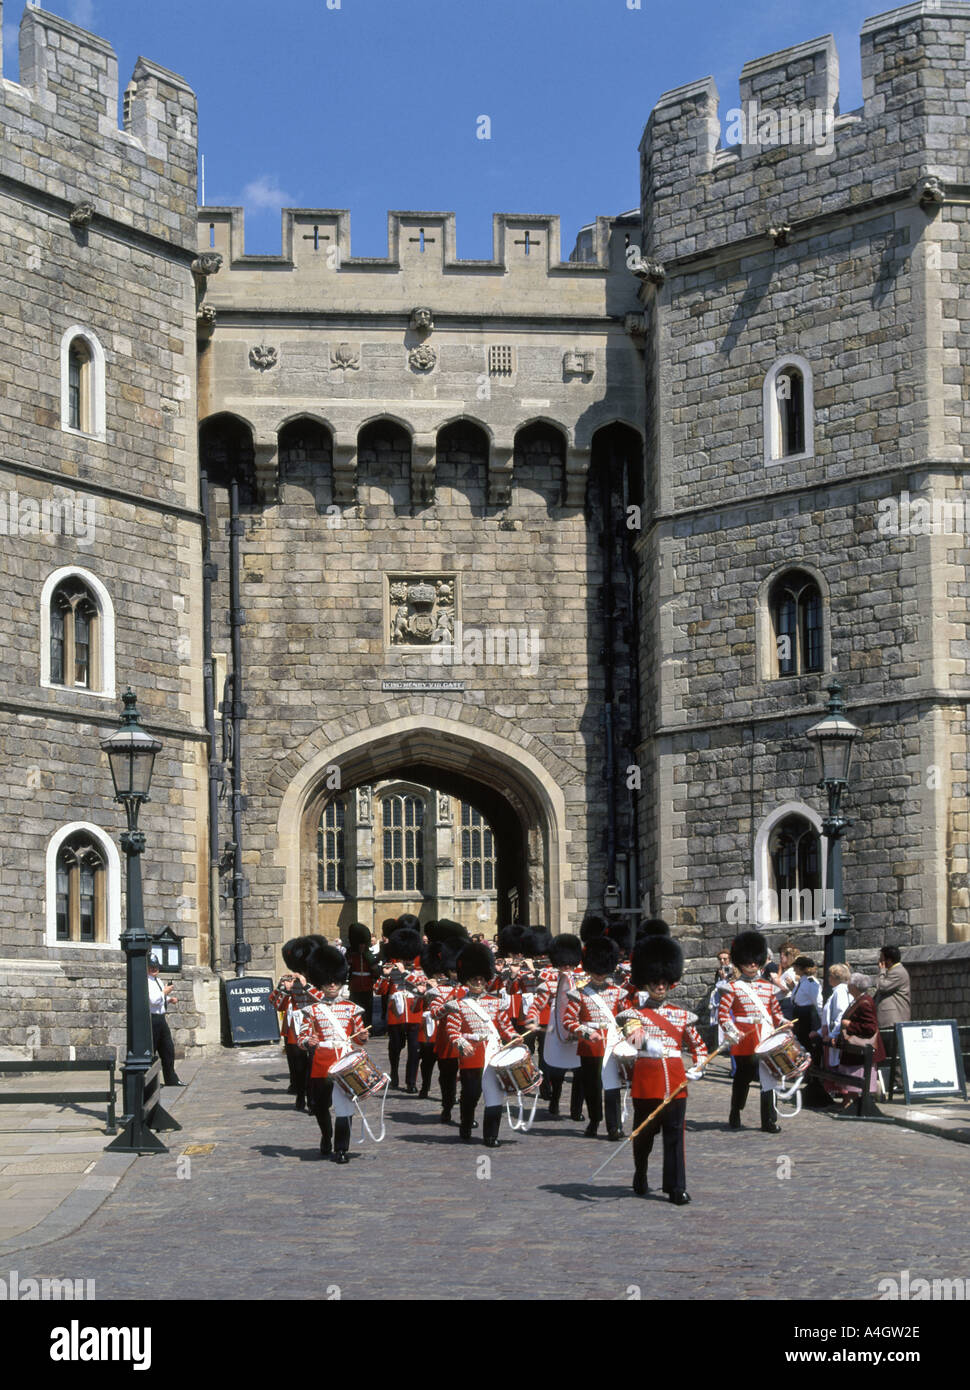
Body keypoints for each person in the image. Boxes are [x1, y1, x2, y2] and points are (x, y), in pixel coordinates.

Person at [616, 936, 707, 1204]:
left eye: (663, 983)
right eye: (655, 982)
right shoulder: (633, 1014)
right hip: (647, 1082)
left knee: (675, 1136)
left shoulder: (681, 1015)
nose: (659, 986)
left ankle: (675, 1187)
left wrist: (699, 1066)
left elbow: (698, 1045)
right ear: (647, 983)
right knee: (644, 1134)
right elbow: (631, 1037)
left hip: (677, 1082)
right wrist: (647, 1043)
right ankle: (640, 1171)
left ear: (669, 983)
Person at [295, 942, 371, 1162]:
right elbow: (301, 1038)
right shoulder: (312, 1010)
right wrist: (308, 1041)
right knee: (320, 1106)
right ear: (321, 982)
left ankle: (341, 1149)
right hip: (321, 1062)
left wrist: (362, 1037)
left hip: (345, 1061)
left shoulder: (351, 1008)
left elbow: (358, 1035)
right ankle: (326, 1136)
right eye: (328, 981)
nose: (331, 985)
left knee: (345, 1106)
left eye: (335, 981)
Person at [444, 941, 517, 1147]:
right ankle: (466, 1124)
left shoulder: (496, 1002)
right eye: (474, 978)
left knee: (494, 1096)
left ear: (486, 980)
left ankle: (491, 1136)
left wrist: (513, 1037)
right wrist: (461, 1043)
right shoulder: (458, 1005)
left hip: (493, 1053)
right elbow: (452, 1031)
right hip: (472, 1054)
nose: (478, 982)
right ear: (467, 980)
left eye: (481, 979)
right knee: (471, 1094)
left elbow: (504, 1026)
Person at [717, 930, 784, 1133]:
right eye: (748, 961)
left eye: (755, 960)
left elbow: (776, 1012)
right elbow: (723, 1015)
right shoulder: (732, 987)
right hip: (745, 1038)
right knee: (742, 1079)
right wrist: (732, 1031)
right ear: (740, 962)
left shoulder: (768, 987)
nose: (752, 964)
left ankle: (769, 1120)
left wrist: (785, 1022)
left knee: (770, 1077)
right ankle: (735, 1110)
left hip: (766, 1036)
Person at [563, 935, 627, 1140]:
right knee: (592, 1087)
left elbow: (628, 1018)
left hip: (612, 1045)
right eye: (596, 971)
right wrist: (586, 1032)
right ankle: (594, 1119)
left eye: (603, 971)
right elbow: (569, 1020)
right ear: (589, 969)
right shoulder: (579, 994)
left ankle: (614, 1126)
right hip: (590, 1046)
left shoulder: (619, 993)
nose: (600, 976)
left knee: (612, 1087)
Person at [526, 933, 586, 1121]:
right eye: (563, 964)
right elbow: (537, 1005)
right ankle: (554, 1102)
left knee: (580, 1073)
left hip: (577, 1030)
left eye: (569, 964)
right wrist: (533, 1019)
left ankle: (576, 1110)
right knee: (557, 1072)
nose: (566, 967)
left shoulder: (583, 981)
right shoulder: (550, 982)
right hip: (557, 1029)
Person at [269, 935, 325, 1111]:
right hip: (294, 1027)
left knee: (313, 1067)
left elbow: (324, 999)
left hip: (314, 1025)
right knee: (298, 1067)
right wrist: (283, 989)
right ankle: (300, 1096)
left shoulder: (319, 978)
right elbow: (277, 1005)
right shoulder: (291, 980)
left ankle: (313, 1099)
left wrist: (306, 984)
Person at [375, 927, 427, 1092]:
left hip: (414, 1014)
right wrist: (385, 975)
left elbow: (421, 987)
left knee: (414, 1050)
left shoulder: (420, 971)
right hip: (395, 1015)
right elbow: (378, 990)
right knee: (395, 1048)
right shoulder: (391, 970)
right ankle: (394, 1075)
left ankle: (411, 1082)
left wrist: (404, 973)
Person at [824, 972, 887, 1108]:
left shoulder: (865, 1002)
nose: (848, 986)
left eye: (850, 984)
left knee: (857, 1076)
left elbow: (870, 1027)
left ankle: (854, 1103)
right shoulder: (858, 1000)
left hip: (861, 1050)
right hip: (853, 1050)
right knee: (850, 1076)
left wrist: (849, 1025)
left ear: (855, 986)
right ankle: (849, 1102)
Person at [147, 955, 182, 1087]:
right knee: (152, 1050)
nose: (154, 969)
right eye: (151, 966)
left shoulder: (158, 980)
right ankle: (150, 1081)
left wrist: (169, 999)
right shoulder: (147, 981)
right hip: (152, 1019)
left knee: (168, 1049)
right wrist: (165, 992)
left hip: (161, 1018)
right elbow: (153, 1000)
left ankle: (171, 1079)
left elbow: (160, 999)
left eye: (155, 966)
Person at [346, 923, 379, 1031]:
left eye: (363, 944)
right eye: (359, 944)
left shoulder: (369, 955)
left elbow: (376, 972)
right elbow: (348, 969)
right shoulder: (351, 954)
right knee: (354, 1008)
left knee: (367, 1009)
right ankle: (354, 1028)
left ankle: (367, 1027)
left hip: (367, 986)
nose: (362, 946)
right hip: (355, 985)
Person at [788, 956, 822, 1049]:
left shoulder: (811, 982)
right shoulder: (802, 981)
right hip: (798, 1013)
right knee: (799, 1040)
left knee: (806, 1041)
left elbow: (818, 1002)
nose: (794, 969)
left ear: (801, 968)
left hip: (806, 1015)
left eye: (795, 967)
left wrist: (822, 1021)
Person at [873, 946, 911, 1028]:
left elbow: (882, 987)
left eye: (881, 959)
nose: (879, 961)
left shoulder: (898, 972)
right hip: (888, 1021)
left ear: (889, 960)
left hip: (892, 1020)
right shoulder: (892, 971)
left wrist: (882, 971)